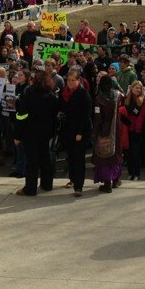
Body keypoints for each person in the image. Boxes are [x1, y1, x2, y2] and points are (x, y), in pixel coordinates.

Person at [15, 70, 59, 196]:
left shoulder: (29, 94)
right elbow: (54, 116)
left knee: (32, 161)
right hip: (45, 133)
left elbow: (22, 116)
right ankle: (47, 184)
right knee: (45, 158)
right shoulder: (51, 96)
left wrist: (17, 135)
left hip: (30, 133)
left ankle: (30, 188)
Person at [60, 68, 92, 196]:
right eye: (69, 80)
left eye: (73, 80)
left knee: (78, 159)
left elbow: (85, 116)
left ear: (78, 80)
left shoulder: (83, 94)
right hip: (67, 130)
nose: (70, 82)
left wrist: (80, 133)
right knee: (71, 157)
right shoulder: (64, 93)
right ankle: (72, 179)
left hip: (80, 132)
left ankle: (78, 186)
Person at [92, 75, 124, 193]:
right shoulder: (118, 95)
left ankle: (107, 183)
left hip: (104, 129)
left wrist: (94, 132)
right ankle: (116, 180)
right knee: (116, 153)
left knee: (104, 155)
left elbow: (98, 118)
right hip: (116, 127)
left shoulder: (98, 99)